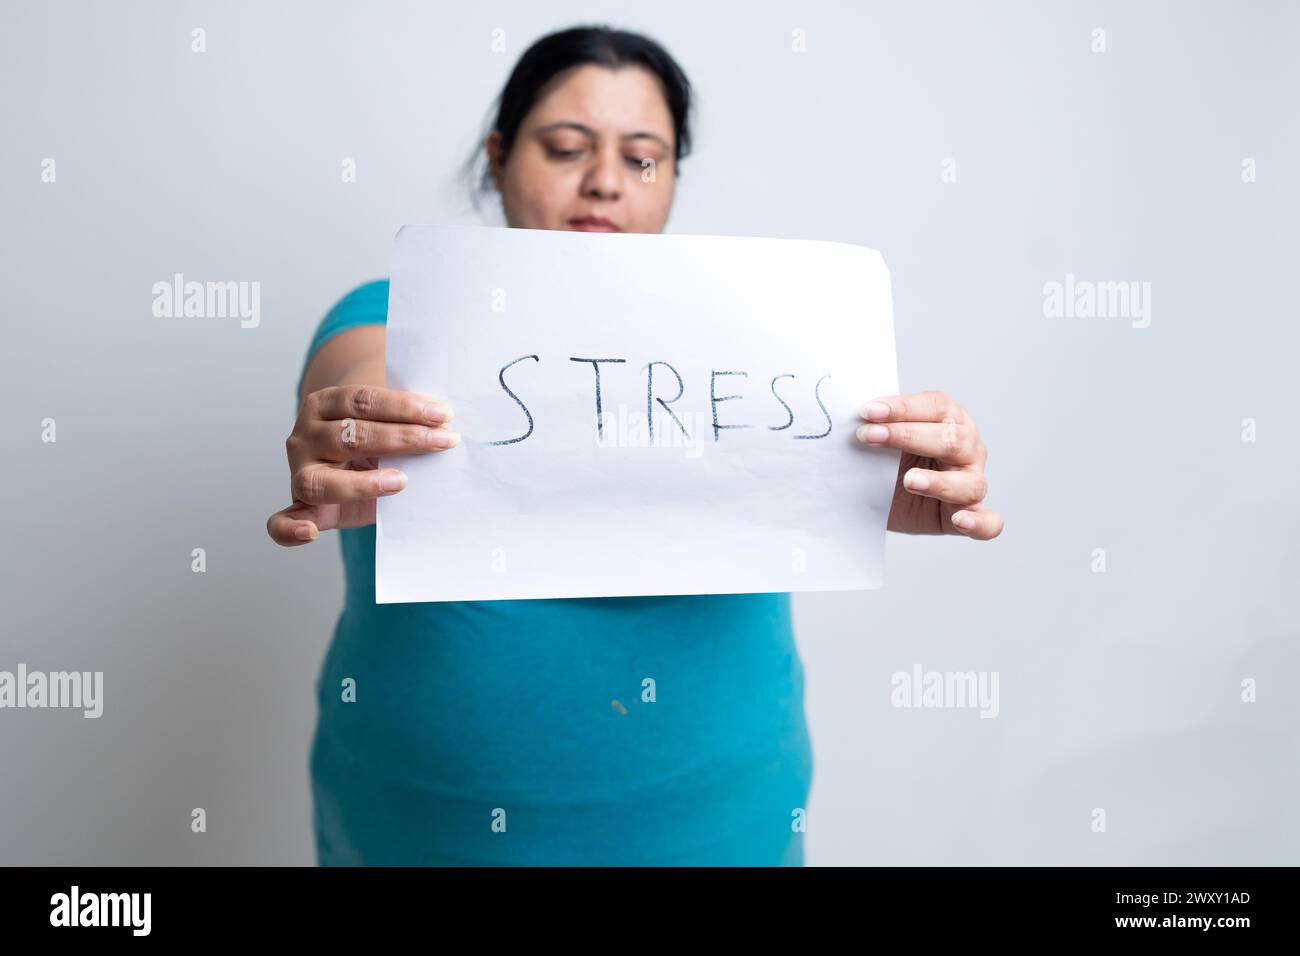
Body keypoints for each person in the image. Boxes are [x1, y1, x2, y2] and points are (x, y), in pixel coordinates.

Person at [266, 24, 1003, 866]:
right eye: (566, 147)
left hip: (719, 818)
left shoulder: (763, 330)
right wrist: (351, 432)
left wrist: (885, 481)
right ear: (500, 155)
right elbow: (354, 375)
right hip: (426, 824)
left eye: (644, 157)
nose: (606, 182)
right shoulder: (394, 316)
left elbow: (830, 446)